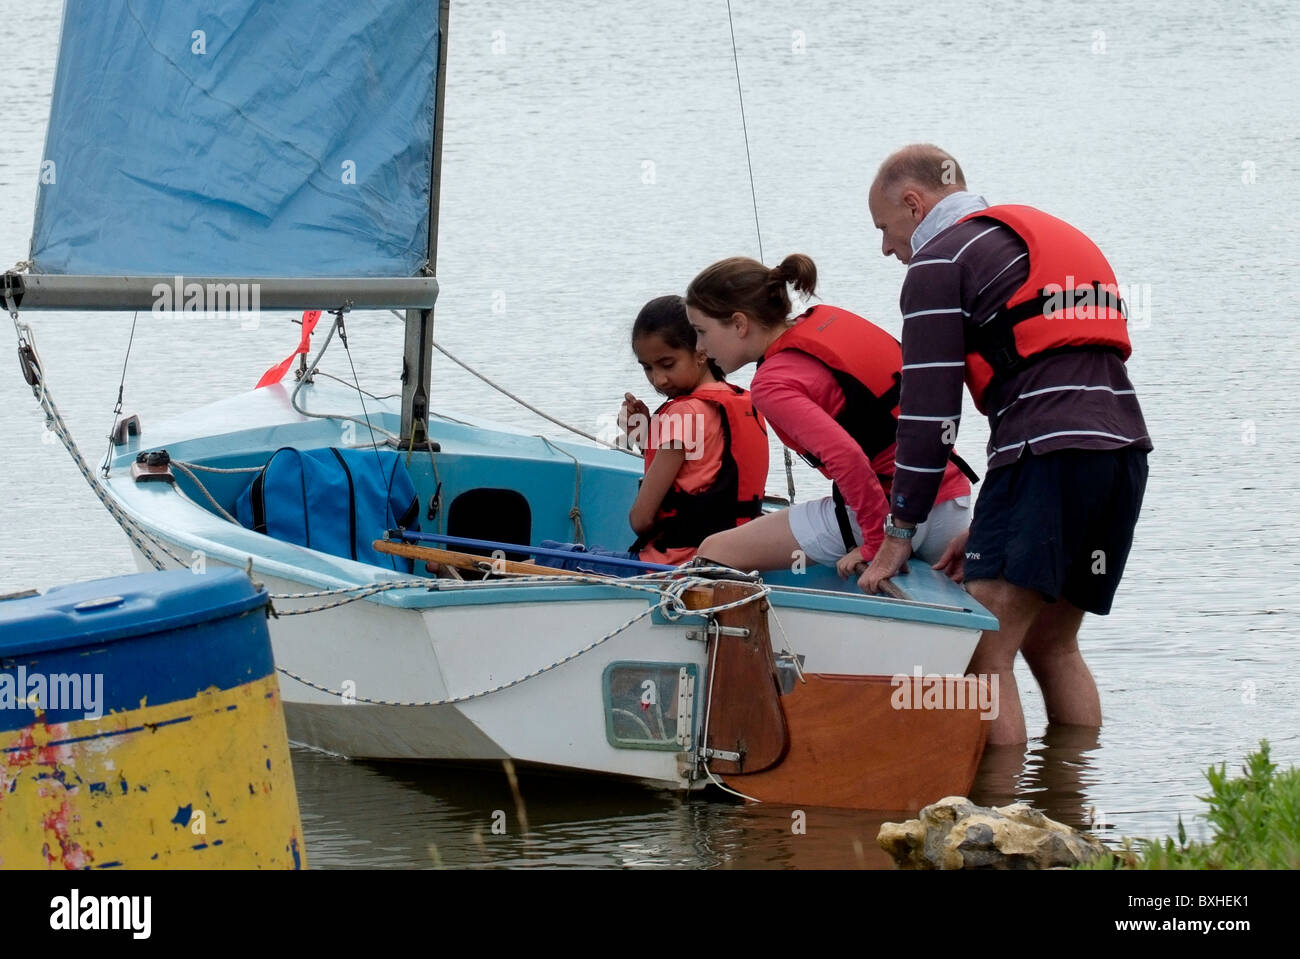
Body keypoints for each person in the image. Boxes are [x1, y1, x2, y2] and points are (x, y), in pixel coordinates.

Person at [862, 143, 1152, 745]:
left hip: (1045, 459)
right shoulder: (1025, 238)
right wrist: (996, 516)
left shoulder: (939, 262)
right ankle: (1071, 798)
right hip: (1122, 451)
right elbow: (1058, 388)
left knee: (983, 651)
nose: (887, 248)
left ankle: (999, 821)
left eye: (886, 229)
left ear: (914, 205)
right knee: (1052, 642)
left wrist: (898, 535)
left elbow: (928, 416)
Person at [684, 254, 974, 578]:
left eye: (701, 331)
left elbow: (847, 457)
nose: (699, 347)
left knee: (714, 551)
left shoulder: (771, 383)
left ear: (739, 324)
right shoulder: (830, 319)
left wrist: (878, 542)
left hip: (891, 515)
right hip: (950, 499)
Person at [543, 294, 769, 572]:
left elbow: (640, 520)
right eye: (647, 368)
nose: (658, 380)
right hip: (731, 565)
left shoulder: (682, 414)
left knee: (548, 556)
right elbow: (704, 469)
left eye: (667, 364)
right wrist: (647, 438)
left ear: (701, 351)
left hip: (669, 569)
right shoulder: (747, 404)